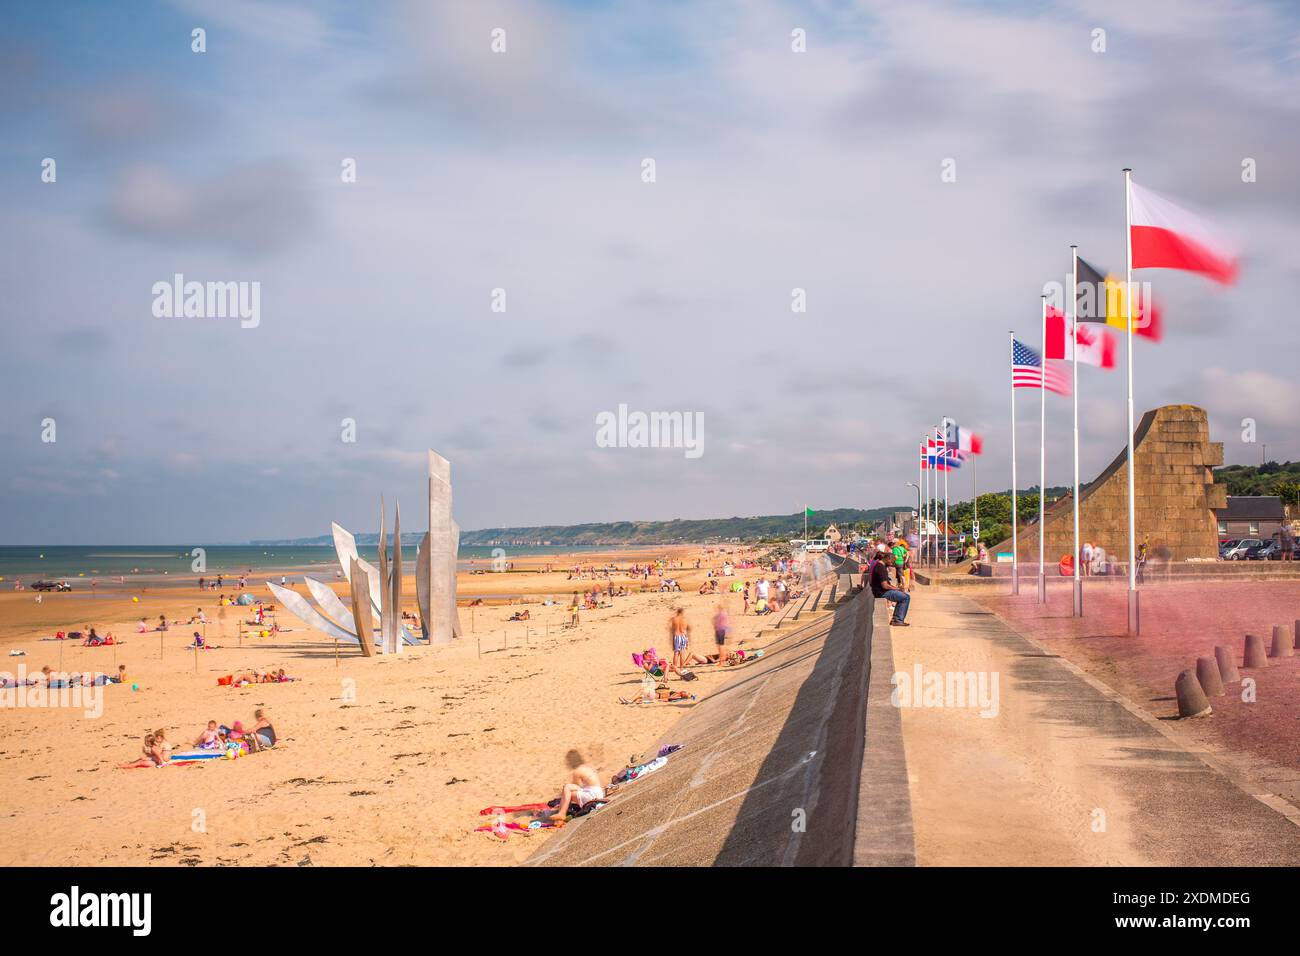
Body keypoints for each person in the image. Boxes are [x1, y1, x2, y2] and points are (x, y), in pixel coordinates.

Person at [541, 750, 605, 820]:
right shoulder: (587, 767)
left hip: (592, 796)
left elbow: (576, 787)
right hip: (599, 793)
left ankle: (562, 813)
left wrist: (563, 797)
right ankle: (561, 811)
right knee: (567, 791)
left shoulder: (577, 771)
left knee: (567, 789)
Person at [869, 544, 911, 626]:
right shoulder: (881, 568)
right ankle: (898, 620)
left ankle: (896, 619)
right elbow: (885, 586)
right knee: (905, 597)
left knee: (902, 596)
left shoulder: (880, 565)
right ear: (887, 559)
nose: (892, 563)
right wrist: (897, 589)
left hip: (879, 591)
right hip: (881, 593)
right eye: (892, 561)